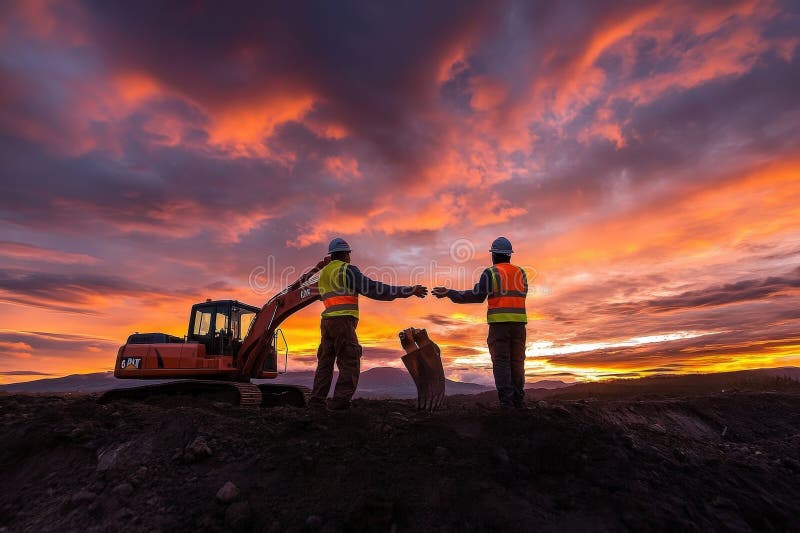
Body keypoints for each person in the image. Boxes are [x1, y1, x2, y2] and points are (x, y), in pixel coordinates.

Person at [311, 237, 428, 410]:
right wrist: (408, 291)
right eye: (349, 255)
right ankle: (340, 403)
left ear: (332, 254)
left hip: (327, 322)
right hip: (343, 322)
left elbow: (322, 295)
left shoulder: (323, 275)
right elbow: (375, 289)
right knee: (350, 360)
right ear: (346, 254)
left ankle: (316, 402)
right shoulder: (346, 270)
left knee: (325, 363)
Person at [433, 237, 528, 408]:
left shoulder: (491, 273)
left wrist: (449, 293)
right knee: (517, 362)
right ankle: (519, 401)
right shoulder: (521, 273)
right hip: (520, 326)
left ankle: (507, 404)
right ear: (509, 256)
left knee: (501, 362)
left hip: (499, 326)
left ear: (494, 255)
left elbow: (477, 296)